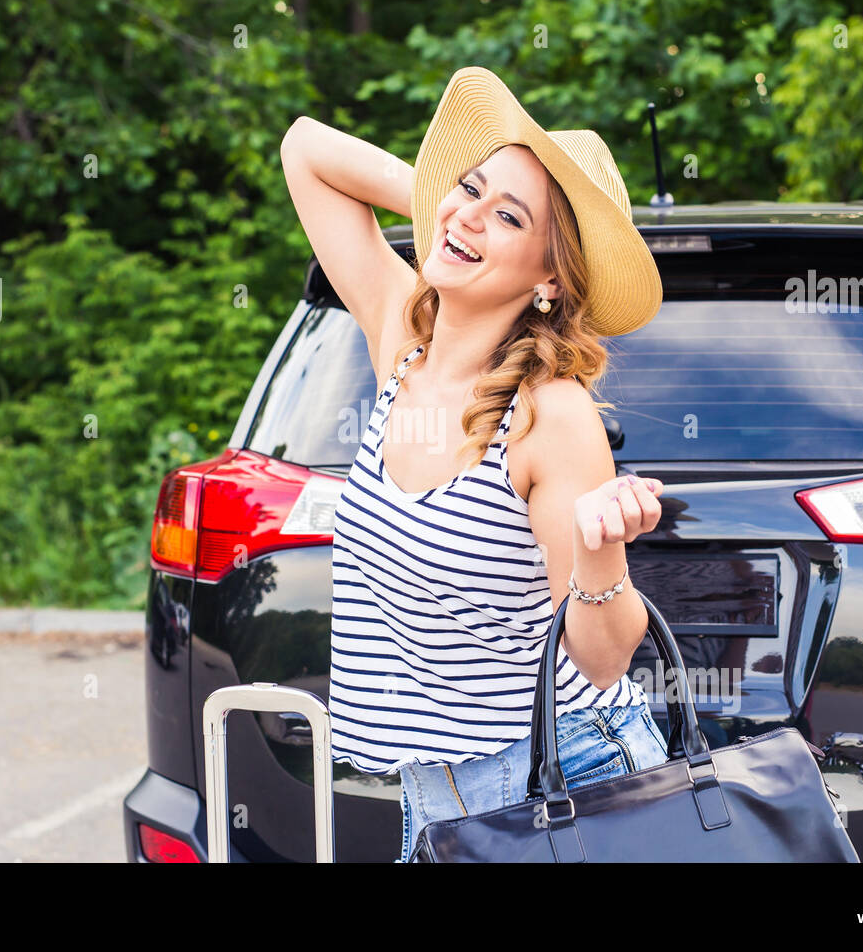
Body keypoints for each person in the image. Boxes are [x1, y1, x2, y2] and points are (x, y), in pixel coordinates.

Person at [281, 66, 669, 863]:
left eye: (509, 218)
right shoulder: (401, 341)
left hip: (567, 781)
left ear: (549, 280)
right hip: (435, 796)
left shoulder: (547, 415)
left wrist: (599, 545)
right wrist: (445, 208)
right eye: (469, 188)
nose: (469, 219)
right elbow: (306, 150)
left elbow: (602, 657)